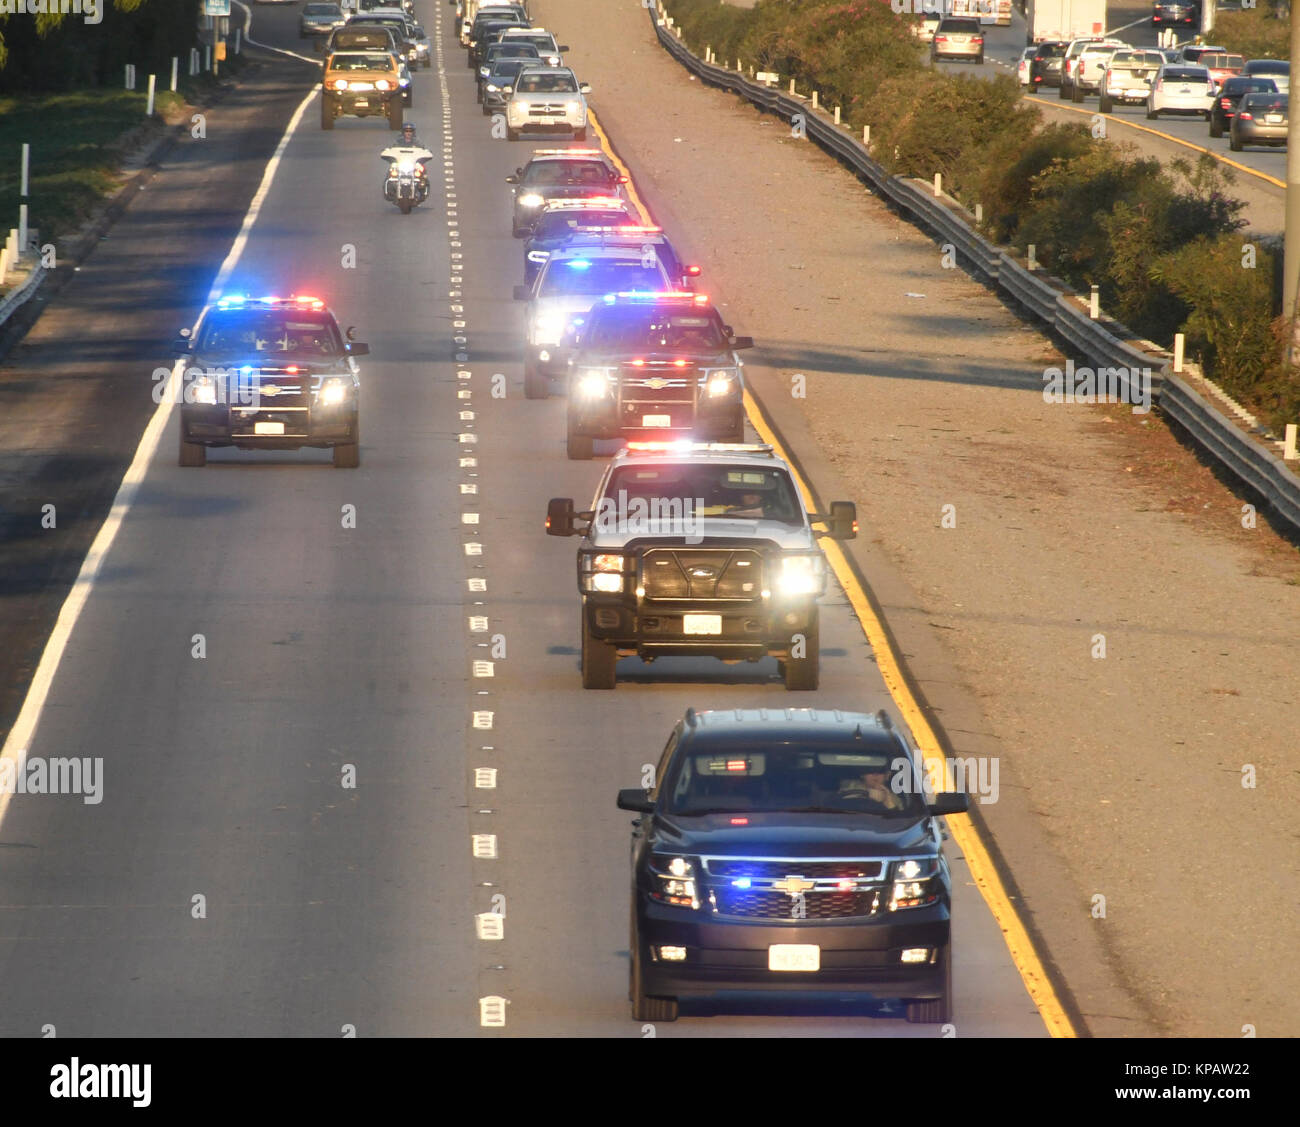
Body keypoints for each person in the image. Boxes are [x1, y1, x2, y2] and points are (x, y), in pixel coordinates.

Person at [380, 121, 433, 204]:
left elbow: (424, 150)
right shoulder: (398, 142)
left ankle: (423, 191)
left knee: (421, 169)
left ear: (413, 132)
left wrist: (427, 152)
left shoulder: (417, 142)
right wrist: (386, 151)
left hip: (413, 164)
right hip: (401, 163)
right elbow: (391, 150)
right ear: (403, 132)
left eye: (410, 131)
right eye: (406, 131)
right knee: (392, 169)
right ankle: (389, 191)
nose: (408, 133)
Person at [838, 766, 904, 811]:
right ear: (862, 775)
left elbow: (898, 820)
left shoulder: (894, 798)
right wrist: (866, 794)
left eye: (880, 771)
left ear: (887, 775)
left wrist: (888, 802)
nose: (875, 774)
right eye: (870, 770)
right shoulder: (848, 789)